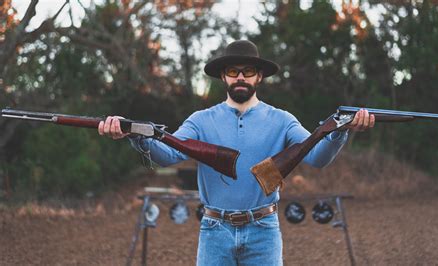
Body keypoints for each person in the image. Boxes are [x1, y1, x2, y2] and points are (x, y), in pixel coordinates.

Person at [98, 40, 374, 265]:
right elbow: (169, 155)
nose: (240, 76)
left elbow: (318, 158)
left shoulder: (282, 120)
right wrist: (137, 136)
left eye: (247, 71)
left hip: (264, 228)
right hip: (214, 229)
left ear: (259, 76)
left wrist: (339, 131)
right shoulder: (200, 119)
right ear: (223, 76)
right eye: (233, 71)